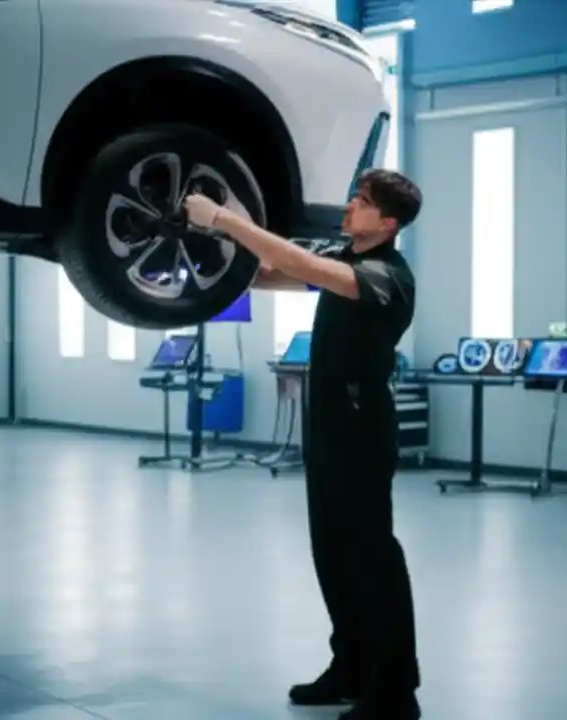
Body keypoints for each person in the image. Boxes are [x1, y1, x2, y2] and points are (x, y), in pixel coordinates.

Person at [184, 168, 423, 720]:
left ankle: (395, 690)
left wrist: (223, 217)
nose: (347, 206)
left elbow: (306, 266)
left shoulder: (389, 275)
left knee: (370, 554)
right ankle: (351, 666)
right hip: (330, 420)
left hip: (363, 425)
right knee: (332, 552)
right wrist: (211, 250)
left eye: (360, 202)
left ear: (386, 223)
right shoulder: (351, 261)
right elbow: (272, 274)